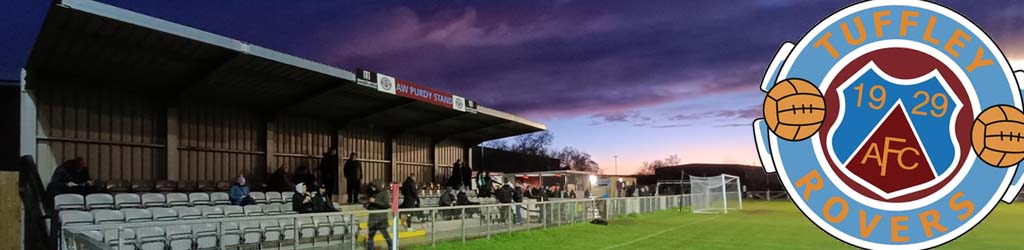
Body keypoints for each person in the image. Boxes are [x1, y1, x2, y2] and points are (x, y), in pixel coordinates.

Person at [365, 179, 393, 250]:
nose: (372, 188)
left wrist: (375, 201)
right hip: (373, 217)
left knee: (385, 235)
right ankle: (370, 248)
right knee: (370, 236)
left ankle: (391, 246)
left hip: (381, 218)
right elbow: (372, 205)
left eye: (374, 187)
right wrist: (367, 205)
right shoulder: (373, 193)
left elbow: (386, 205)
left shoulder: (384, 193)